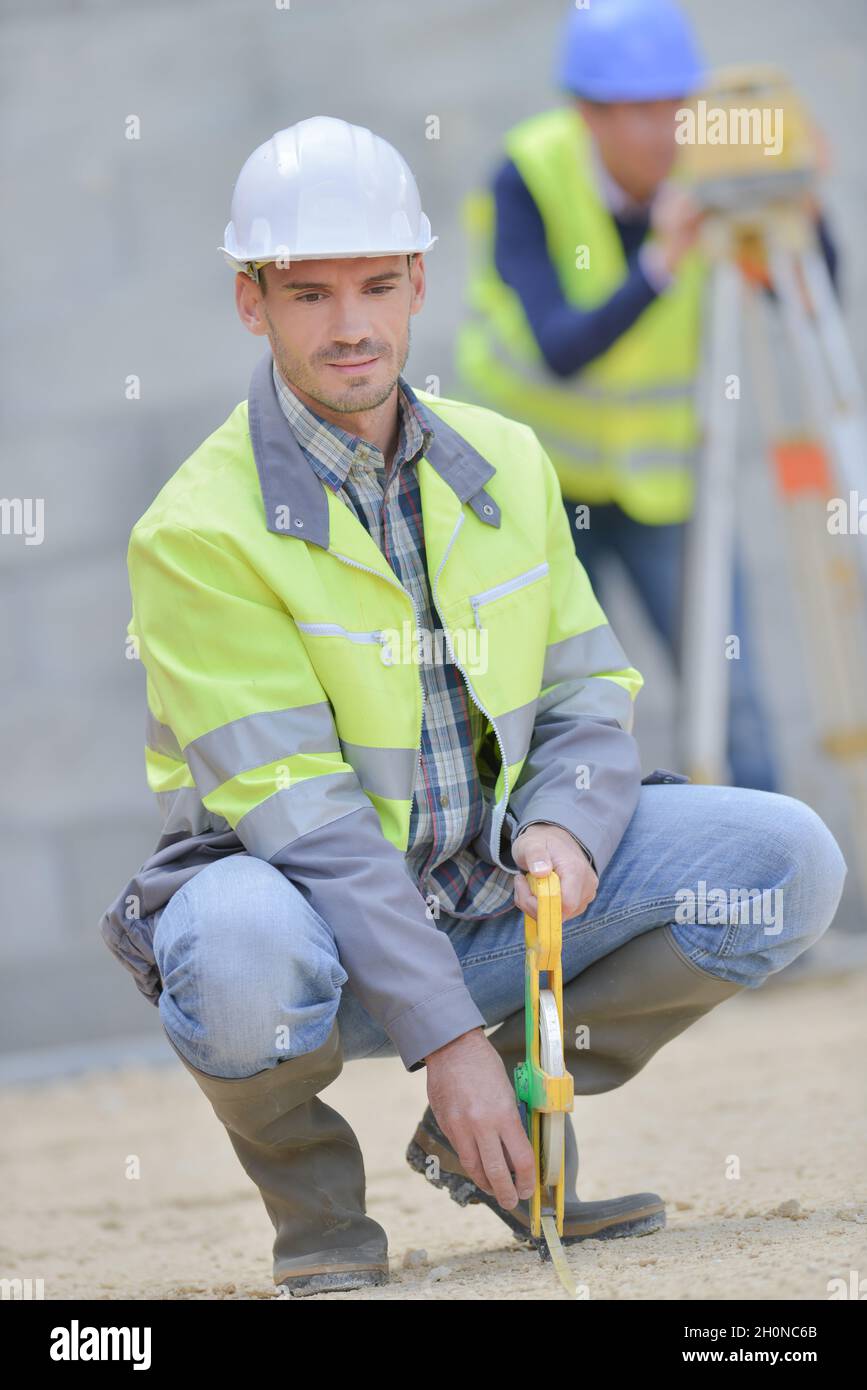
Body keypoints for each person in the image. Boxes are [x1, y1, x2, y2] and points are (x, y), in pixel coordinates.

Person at [99, 116, 846, 1297]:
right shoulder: (195, 532)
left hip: (486, 895)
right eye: (308, 293)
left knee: (785, 857)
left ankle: (504, 1105)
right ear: (253, 301)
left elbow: (589, 689)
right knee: (236, 949)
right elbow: (307, 818)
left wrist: (571, 818)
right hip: (313, 936)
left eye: (378, 285)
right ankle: (322, 1220)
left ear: (418, 284)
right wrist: (440, 1035)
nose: (351, 325)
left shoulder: (504, 462)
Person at [456, 0, 839, 793]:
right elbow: (561, 348)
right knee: (546, 710)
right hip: (537, 495)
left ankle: (761, 884)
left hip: (666, 490)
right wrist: (660, 263)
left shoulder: (709, 165)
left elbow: (808, 299)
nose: (668, 130)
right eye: (641, 111)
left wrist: (798, 208)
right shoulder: (529, 172)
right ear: (587, 114)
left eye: (678, 104)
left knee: (730, 699)